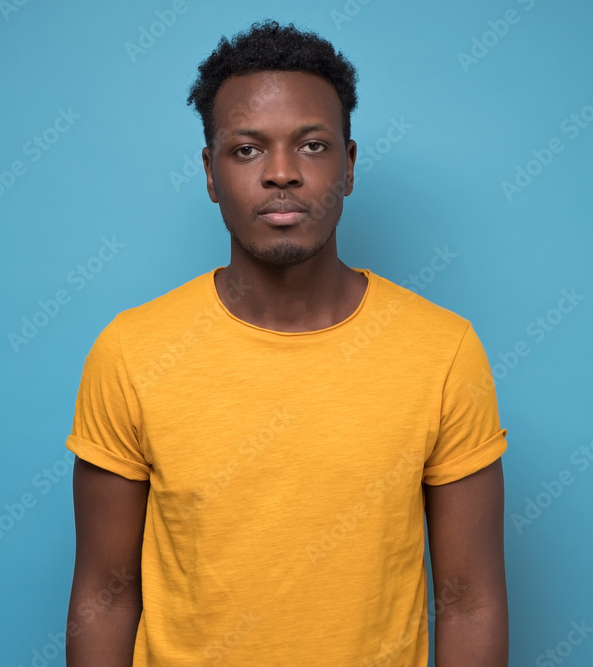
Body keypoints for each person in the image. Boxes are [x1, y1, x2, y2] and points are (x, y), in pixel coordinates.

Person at [64, 19, 509, 666]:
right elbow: (104, 594)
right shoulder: (132, 351)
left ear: (349, 165)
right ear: (211, 174)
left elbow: (470, 600)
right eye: (246, 149)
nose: (281, 173)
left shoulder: (443, 350)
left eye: (311, 146)